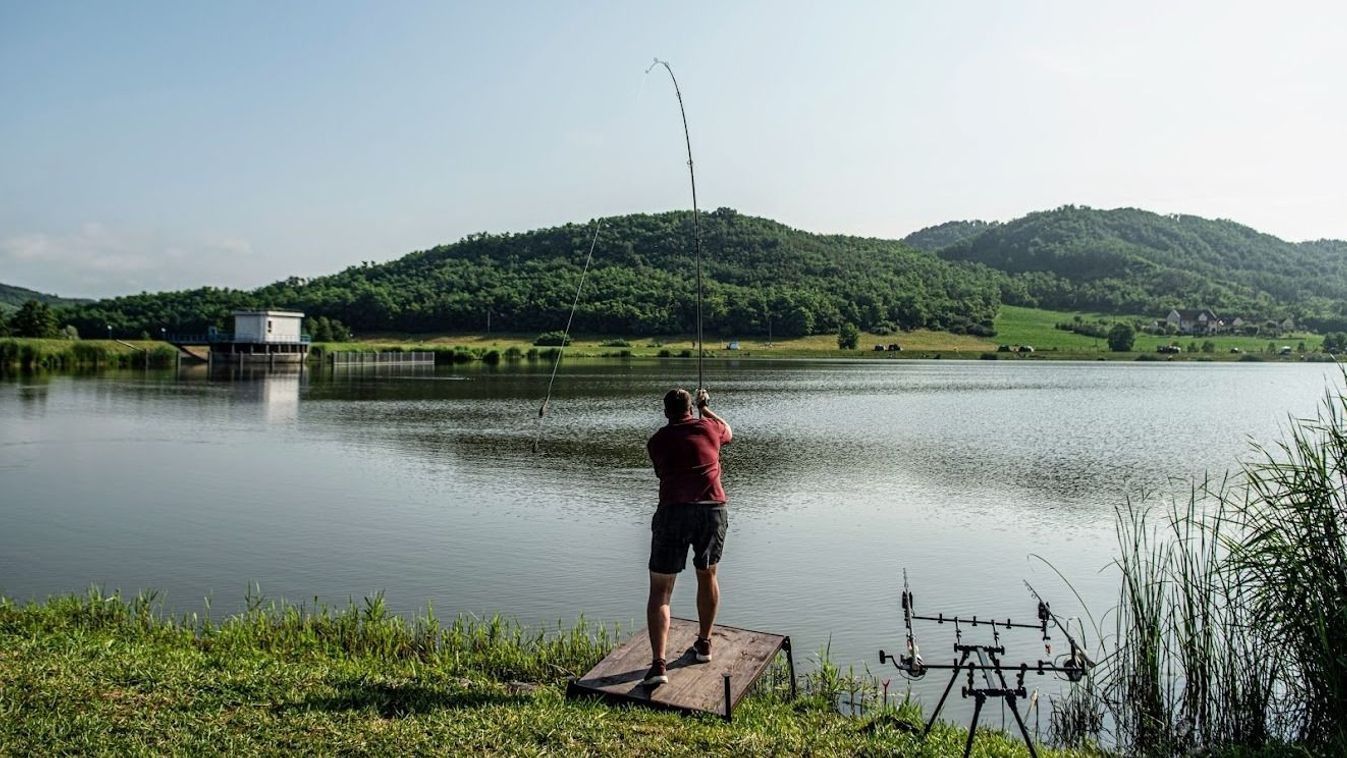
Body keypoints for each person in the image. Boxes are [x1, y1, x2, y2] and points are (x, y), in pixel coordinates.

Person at [641, 387, 733, 686]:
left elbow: (661, 472)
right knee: (707, 575)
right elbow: (728, 432)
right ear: (690, 408)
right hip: (711, 511)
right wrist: (707, 409)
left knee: (661, 590)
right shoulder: (709, 427)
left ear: (666, 412)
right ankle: (704, 644)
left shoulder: (657, 441)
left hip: (673, 512)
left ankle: (658, 666)